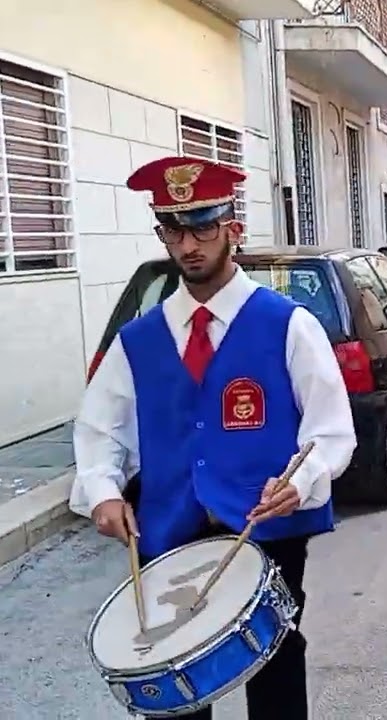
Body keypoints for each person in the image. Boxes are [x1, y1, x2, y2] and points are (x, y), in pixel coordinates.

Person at [70, 156, 357, 720]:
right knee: (171, 669)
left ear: (233, 227)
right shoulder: (137, 340)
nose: (189, 245)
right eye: (174, 231)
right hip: (170, 523)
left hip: (264, 525)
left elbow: (330, 430)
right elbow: (100, 429)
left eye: (203, 226)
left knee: (274, 658)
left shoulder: (288, 323)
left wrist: (302, 482)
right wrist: (102, 490)